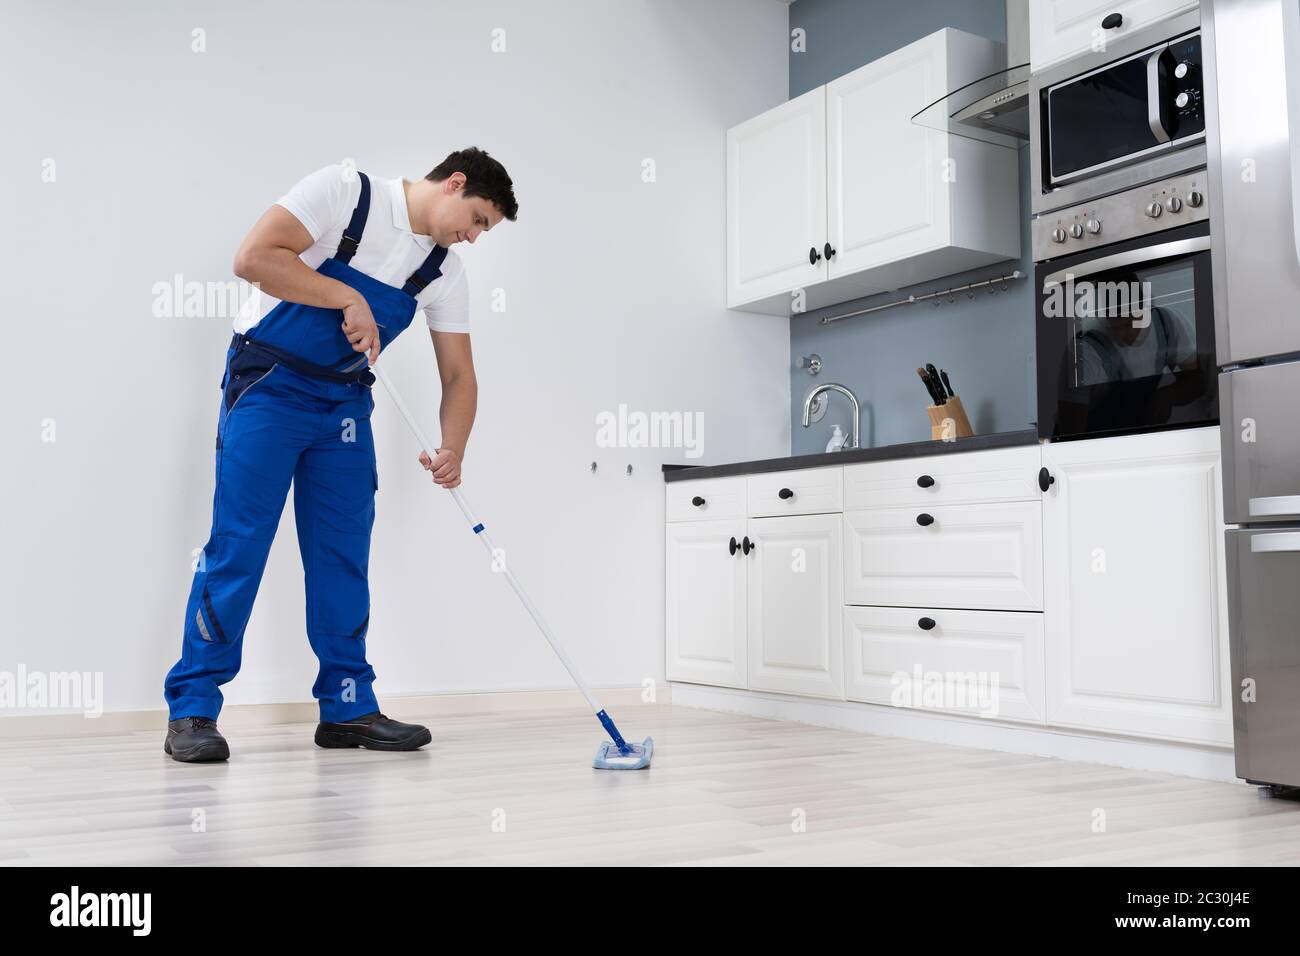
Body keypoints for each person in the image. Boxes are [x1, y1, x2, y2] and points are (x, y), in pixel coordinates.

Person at [162, 149, 518, 762]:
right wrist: (343, 298)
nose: (475, 237)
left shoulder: (443, 271)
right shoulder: (345, 192)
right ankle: (193, 710)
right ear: (454, 184)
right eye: (479, 219)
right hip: (269, 383)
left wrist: (453, 447)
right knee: (240, 545)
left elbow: (459, 376)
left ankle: (348, 710)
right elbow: (252, 258)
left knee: (342, 556)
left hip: (346, 406)